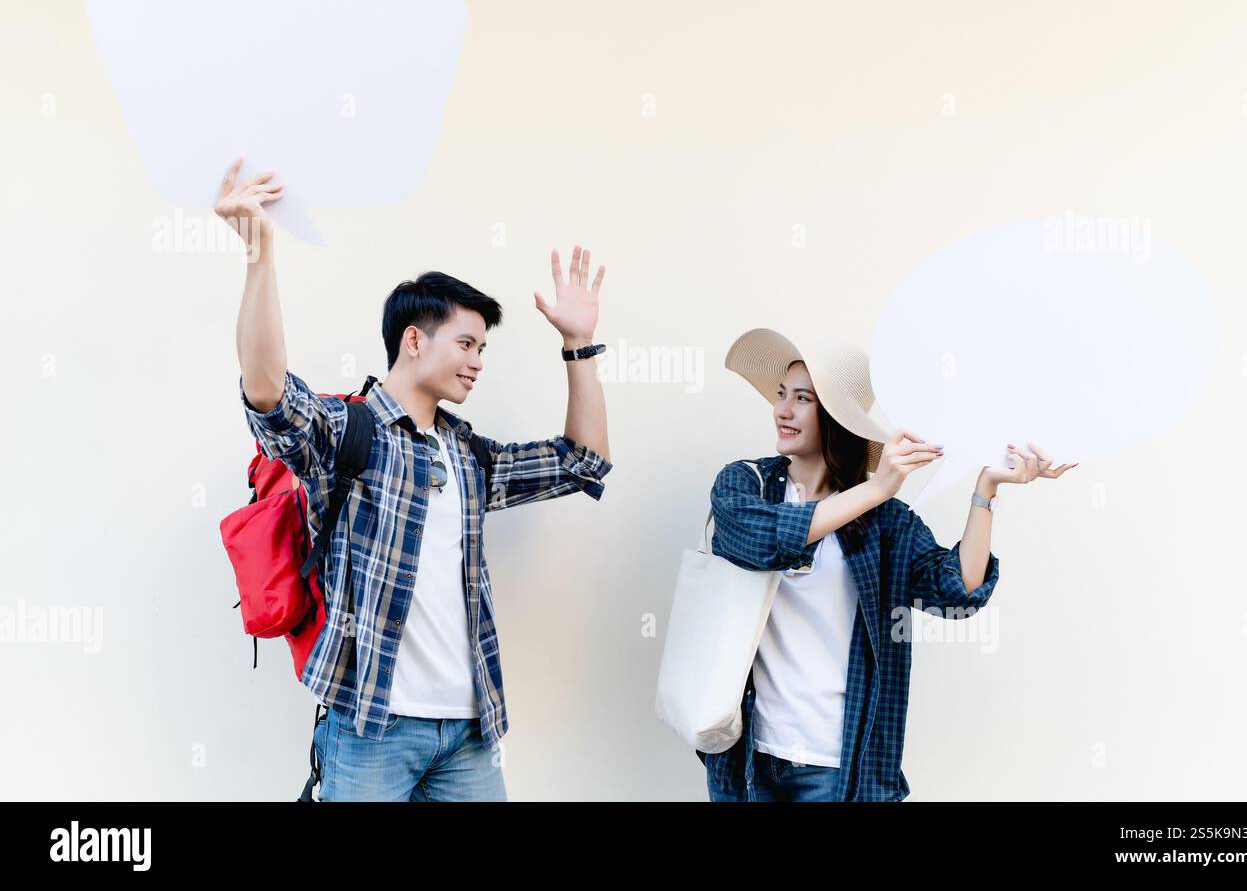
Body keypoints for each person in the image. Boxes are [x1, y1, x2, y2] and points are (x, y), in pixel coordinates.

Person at [220, 159, 613, 800]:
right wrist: (261, 254)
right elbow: (265, 389)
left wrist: (579, 345)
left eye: (483, 348)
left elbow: (583, 461)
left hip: (469, 731)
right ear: (413, 341)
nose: (477, 362)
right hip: (371, 726)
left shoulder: (467, 455)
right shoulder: (347, 432)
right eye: (466, 343)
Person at [700, 328, 1074, 801]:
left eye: (802, 399)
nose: (782, 411)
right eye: (780, 396)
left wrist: (986, 490)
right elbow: (758, 541)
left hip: (839, 766)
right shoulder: (745, 484)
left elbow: (958, 590)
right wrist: (877, 487)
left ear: (833, 417)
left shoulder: (883, 523)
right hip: (750, 758)